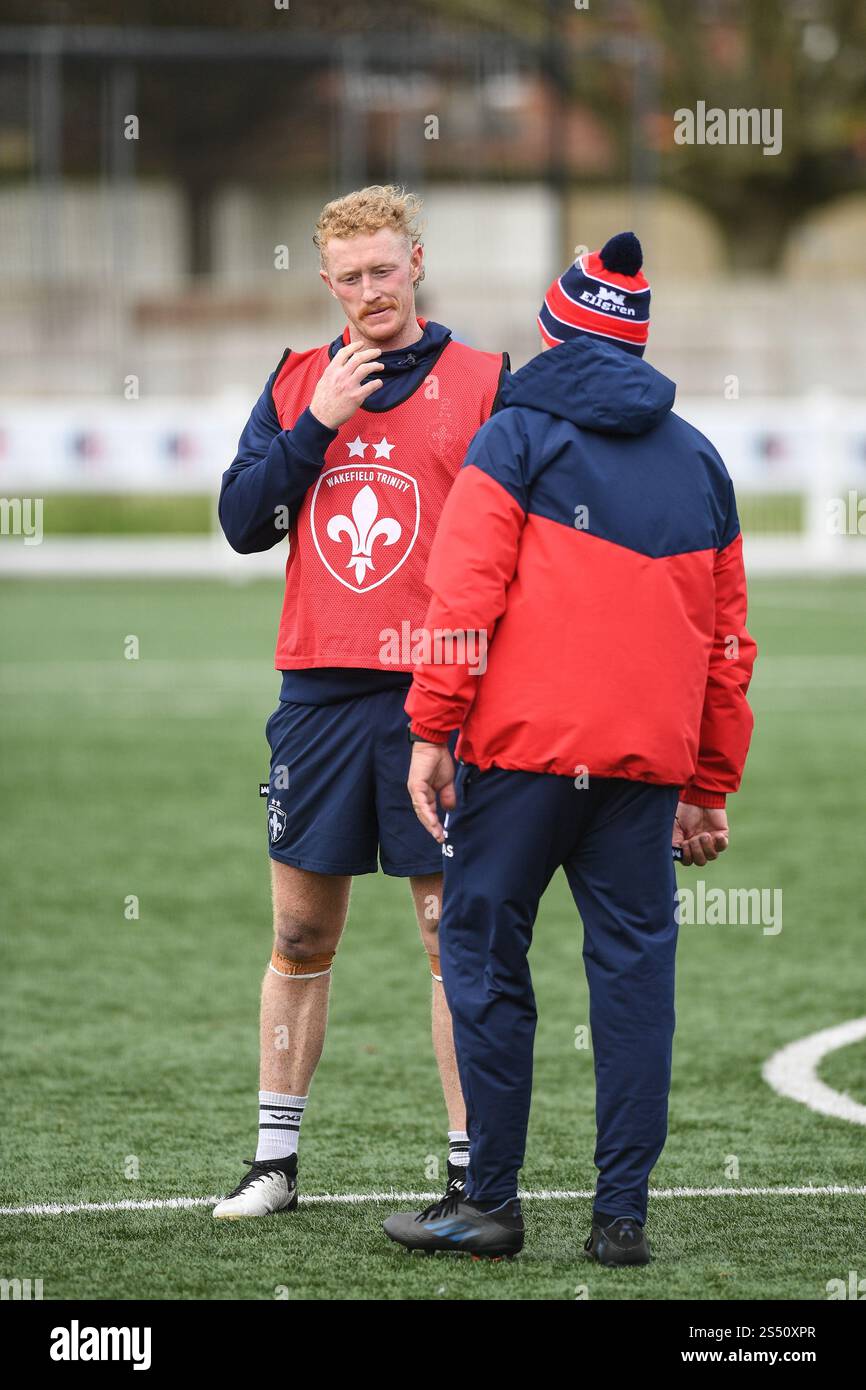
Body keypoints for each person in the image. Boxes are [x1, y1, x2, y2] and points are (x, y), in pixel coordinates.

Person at [383, 232, 757, 1263]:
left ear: (553, 334)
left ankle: (489, 1205)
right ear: (633, 346)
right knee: (634, 984)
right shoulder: (699, 461)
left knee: (485, 959)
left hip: (519, 759)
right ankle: (620, 1218)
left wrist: (429, 728)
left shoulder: (513, 434)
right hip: (642, 774)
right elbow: (726, 646)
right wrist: (708, 784)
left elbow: (462, 603)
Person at [213, 186, 508, 1219]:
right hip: (319, 698)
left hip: (438, 698)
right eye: (350, 277)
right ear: (325, 282)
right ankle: (274, 1165)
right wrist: (315, 425)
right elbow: (244, 521)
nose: (371, 292)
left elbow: (518, 541)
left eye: (386, 270)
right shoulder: (299, 380)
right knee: (298, 934)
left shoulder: (483, 379)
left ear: (414, 262)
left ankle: (471, 1168)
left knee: (448, 936)